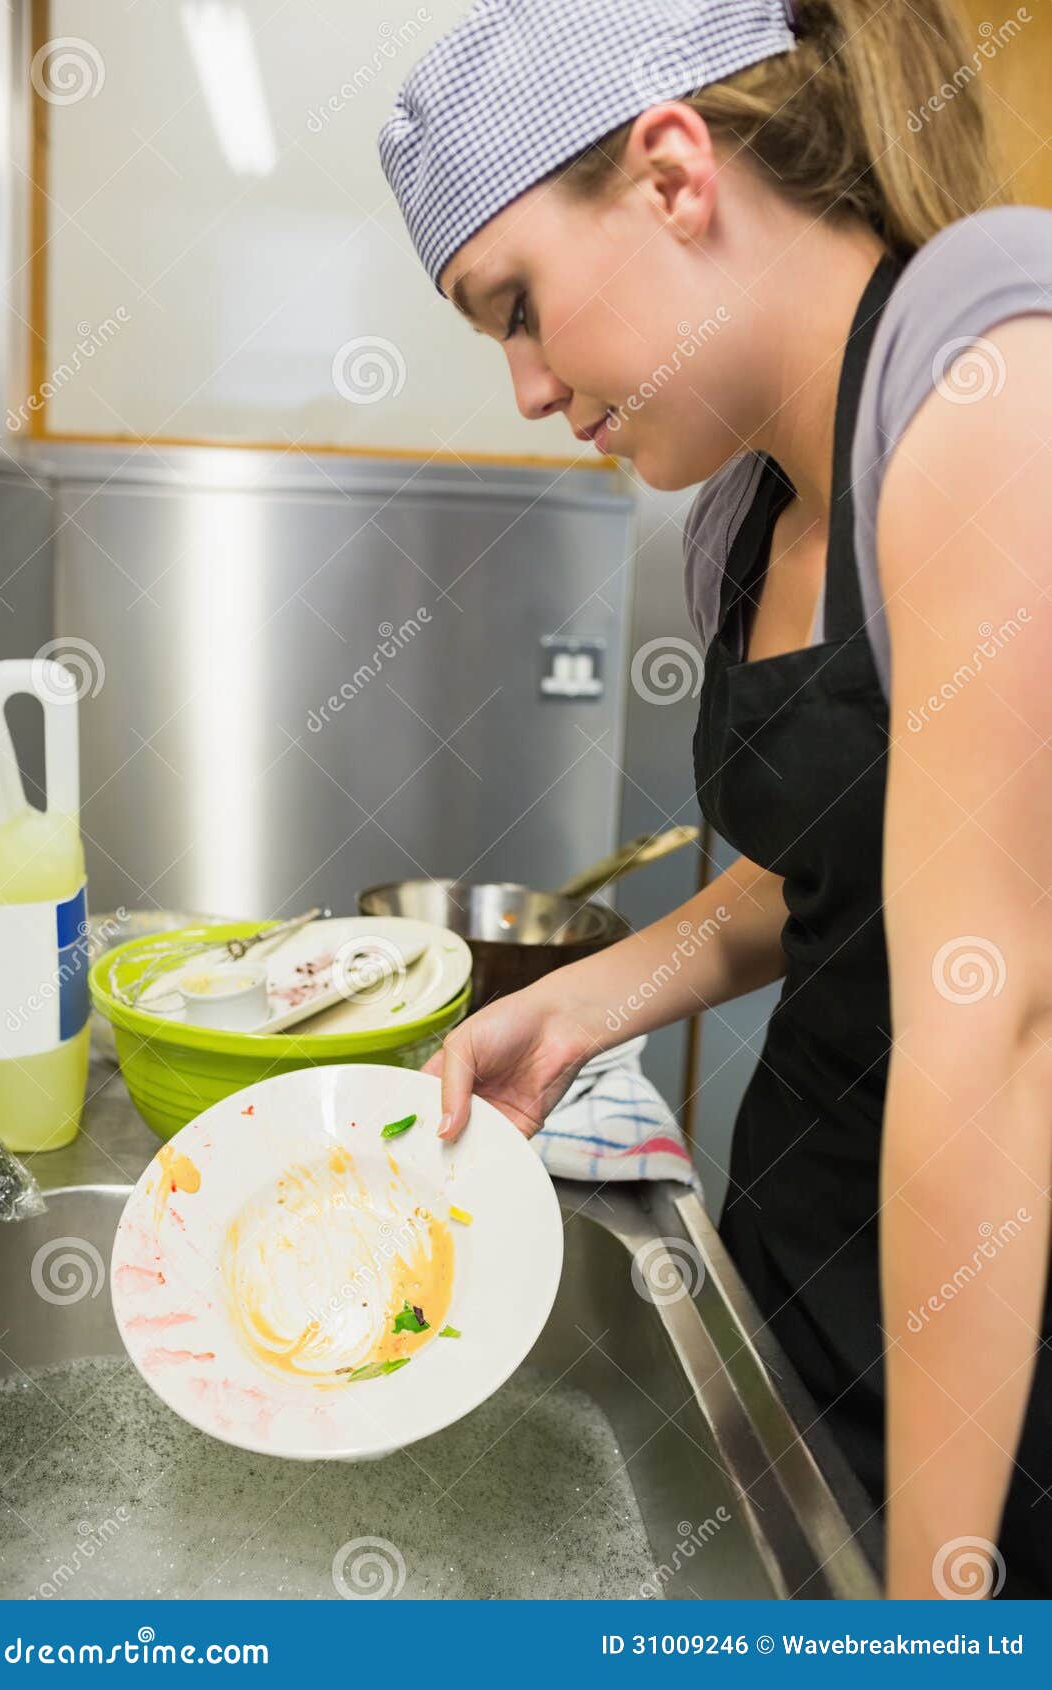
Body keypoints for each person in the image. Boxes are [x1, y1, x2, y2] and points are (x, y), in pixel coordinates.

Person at [379, 0, 1052, 1599]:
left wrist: (932, 1606)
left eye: (518, 308)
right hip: (808, 1283)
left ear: (674, 174)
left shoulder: (988, 375)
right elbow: (855, 867)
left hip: (994, 1391)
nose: (530, 389)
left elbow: (1001, 1017)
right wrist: (590, 1000)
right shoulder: (748, 506)